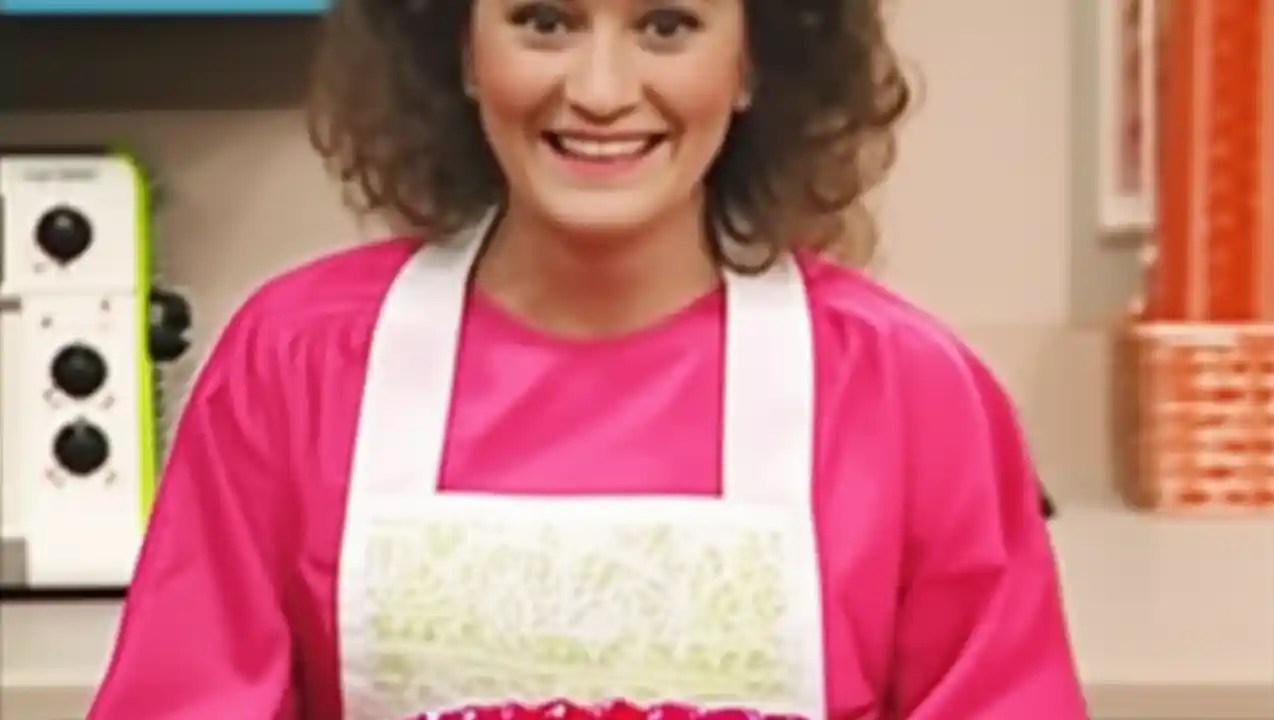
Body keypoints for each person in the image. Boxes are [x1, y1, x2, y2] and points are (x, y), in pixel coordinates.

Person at [87, 0, 1089, 718]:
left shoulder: (905, 393)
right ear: (461, 49)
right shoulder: (297, 367)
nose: (601, 90)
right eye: (545, 22)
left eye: (666, 26)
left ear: (752, 61)